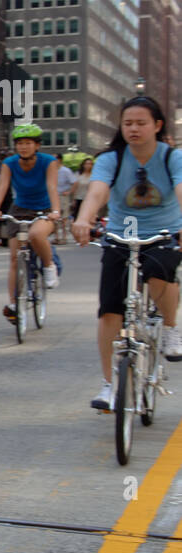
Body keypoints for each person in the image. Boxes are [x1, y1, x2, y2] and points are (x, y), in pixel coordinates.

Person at [72, 96, 182, 410]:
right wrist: (84, 217)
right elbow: (97, 191)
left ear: (157, 125)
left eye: (141, 123)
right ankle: (110, 385)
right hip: (122, 235)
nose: (133, 129)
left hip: (164, 234)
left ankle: (171, 328)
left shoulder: (172, 157)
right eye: (128, 123)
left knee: (161, 271)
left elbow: (180, 188)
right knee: (110, 310)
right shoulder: (112, 158)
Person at [0, 124, 61, 324]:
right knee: (14, 258)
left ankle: (49, 266)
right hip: (19, 210)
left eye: (28, 143)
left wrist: (56, 211)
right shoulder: (9, 163)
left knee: (36, 235)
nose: (23, 147)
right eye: (20, 143)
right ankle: (14, 303)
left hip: (44, 210)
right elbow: (3, 187)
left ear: (37, 145)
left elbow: (52, 186)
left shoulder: (49, 162)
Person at [56, 159, 77, 244]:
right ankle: (57, 237)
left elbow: (75, 182)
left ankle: (64, 237)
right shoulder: (50, 169)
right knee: (54, 218)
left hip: (63, 196)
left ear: (59, 160)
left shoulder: (65, 171)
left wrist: (69, 192)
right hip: (53, 196)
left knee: (64, 217)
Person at [71, 157, 94, 222]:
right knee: (77, 216)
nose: (88, 165)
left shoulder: (94, 175)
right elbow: (75, 187)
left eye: (90, 164)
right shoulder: (78, 174)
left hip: (90, 199)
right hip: (79, 198)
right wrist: (73, 199)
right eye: (86, 164)